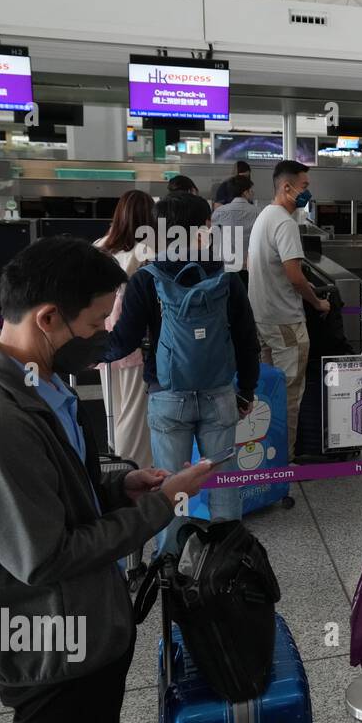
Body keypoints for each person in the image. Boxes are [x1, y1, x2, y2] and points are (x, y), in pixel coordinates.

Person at [0, 236, 213, 723]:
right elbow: (44, 556)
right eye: (94, 324)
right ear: (47, 319)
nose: (105, 336)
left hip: (91, 629)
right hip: (54, 655)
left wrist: (116, 488)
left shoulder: (46, 385)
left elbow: (57, 494)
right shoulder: (0, 419)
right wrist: (160, 505)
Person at [104, 192, 260, 553]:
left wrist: (83, 348)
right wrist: (246, 391)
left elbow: (123, 342)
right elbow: (246, 340)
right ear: (205, 227)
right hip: (219, 393)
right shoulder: (226, 276)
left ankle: (171, 567)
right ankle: (228, 564)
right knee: (223, 483)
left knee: (169, 488)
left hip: (167, 394)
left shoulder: (147, 278)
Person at [247, 159, 328, 462]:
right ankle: (285, 461)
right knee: (289, 397)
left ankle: (266, 456)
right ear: (286, 187)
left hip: (264, 319)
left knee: (268, 393)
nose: (308, 192)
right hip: (286, 322)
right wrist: (317, 302)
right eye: (304, 186)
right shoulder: (284, 222)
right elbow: (294, 275)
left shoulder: (264, 216)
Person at [92, 189, 156, 471]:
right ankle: (132, 473)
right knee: (134, 414)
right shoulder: (146, 249)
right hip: (133, 341)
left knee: (114, 410)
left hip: (102, 339)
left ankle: (119, 465)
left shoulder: (99, 245)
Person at [210, 175, 259, 279]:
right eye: (251, 190)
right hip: (250, 266)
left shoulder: (220, 212)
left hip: (227, 266)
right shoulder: (257, 212)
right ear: (245, 192)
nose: (253, 193)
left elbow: (211, 232)